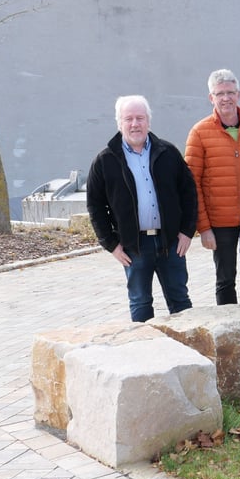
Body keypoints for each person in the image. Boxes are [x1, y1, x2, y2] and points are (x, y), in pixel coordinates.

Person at [87, 95, 198, 323]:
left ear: (148, 121)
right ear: (119, 123)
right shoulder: (105, 160)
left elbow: (189, 193)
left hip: (170, 243)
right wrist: (111, 244)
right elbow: (95, 206)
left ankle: (186, 344)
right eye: (128, 119)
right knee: (140, 303)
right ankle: (145, 345)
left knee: (180, 302)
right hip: (133, 246)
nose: (135, 124)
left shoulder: (168, 153)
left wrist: (187, 231)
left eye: (140, 118)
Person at [185, 69, 240, 305]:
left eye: (230, 93)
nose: (226, 98)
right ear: (211, 98)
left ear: (239, 95)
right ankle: (228, 320)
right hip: (219, 222)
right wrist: (204, 227)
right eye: (220, 93)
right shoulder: (199, 133)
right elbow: (191, 185)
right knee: (225, 280)